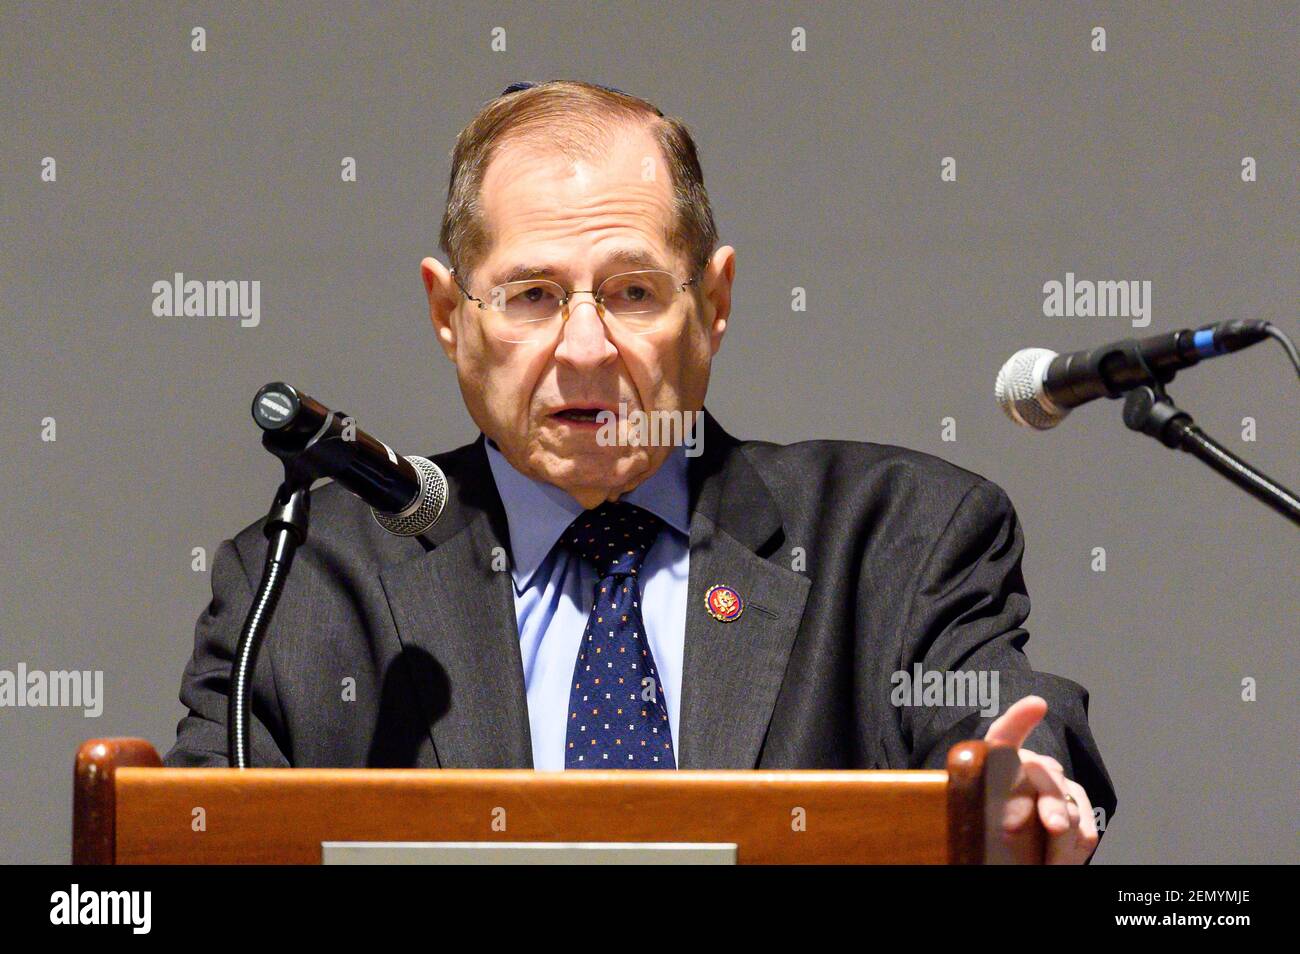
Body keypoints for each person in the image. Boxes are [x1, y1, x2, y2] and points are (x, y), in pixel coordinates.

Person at [164, 80, 1115, 864]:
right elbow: (177, 850)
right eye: (532, 296)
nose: (585, 348)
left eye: (632, 293)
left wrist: (1025, 792)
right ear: (450, 316)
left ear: (715, 302)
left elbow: (999, 709)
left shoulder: (898, 537)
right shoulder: (305, 579)